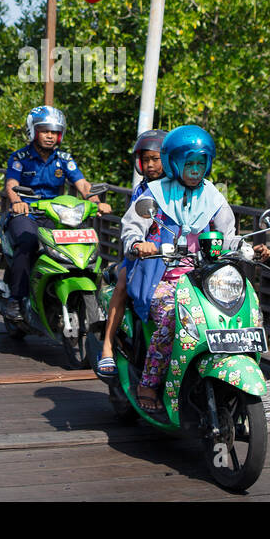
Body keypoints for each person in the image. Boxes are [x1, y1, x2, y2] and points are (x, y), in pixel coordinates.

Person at [118, 125, 270, 414]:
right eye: (189, 163)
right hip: (164, 276)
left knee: (241, 315)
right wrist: (138, 243)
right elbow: (132, 226)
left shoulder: (213, 196)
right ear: (175, 163)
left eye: (201, 163)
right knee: (171, 318)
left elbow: (228, 236)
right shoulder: (155, 193)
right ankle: (149, 382)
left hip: (205, 277)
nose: (195, 169)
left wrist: (250, 250)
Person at [1, 105, 112, 319]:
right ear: (33, 131)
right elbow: (11, 183)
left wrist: (96, 202)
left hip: (58, 215)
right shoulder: (19, 157)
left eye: (54, 132)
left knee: (82, 243)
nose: (50, 136)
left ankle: (85, 295)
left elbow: (82, 184)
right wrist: (17, 202)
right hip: (27, 214)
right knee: (28, 243)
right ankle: (16, 300)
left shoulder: (64, 158)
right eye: (45, 131)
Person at [95, 129, 167, 378]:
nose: (149, 165)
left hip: (174, 258)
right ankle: (107, 345)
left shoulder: (182, 189)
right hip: (144, 257)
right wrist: (139, 244)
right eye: (145, 160)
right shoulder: (142, 191)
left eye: (155, 159)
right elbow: (133, 226)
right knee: (124, 281)